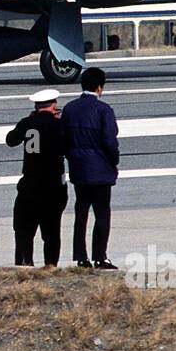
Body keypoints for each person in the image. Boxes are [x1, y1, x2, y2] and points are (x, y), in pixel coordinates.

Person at [61, 68, 121, 269]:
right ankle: (100, 256)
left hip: (78, 169)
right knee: (102, 214)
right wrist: (114, 162)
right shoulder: (104, 110)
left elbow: (64, 141)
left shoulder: (69, 109)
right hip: (101, 170)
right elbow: (110, 141)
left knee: (81, 213)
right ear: (100, 87)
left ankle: (81, 256)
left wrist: (73, 157)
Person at [6, 88, 67, 266]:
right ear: (53, 104)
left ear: (36, 106)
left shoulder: (27, 123)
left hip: (30, 184)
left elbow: (11, 140)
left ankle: (25, 263)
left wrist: (29, 121)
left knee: (24, 230)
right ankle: (51, 265)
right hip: (52, 185)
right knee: (52, 233)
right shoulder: (58, 125)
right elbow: (67, 148)